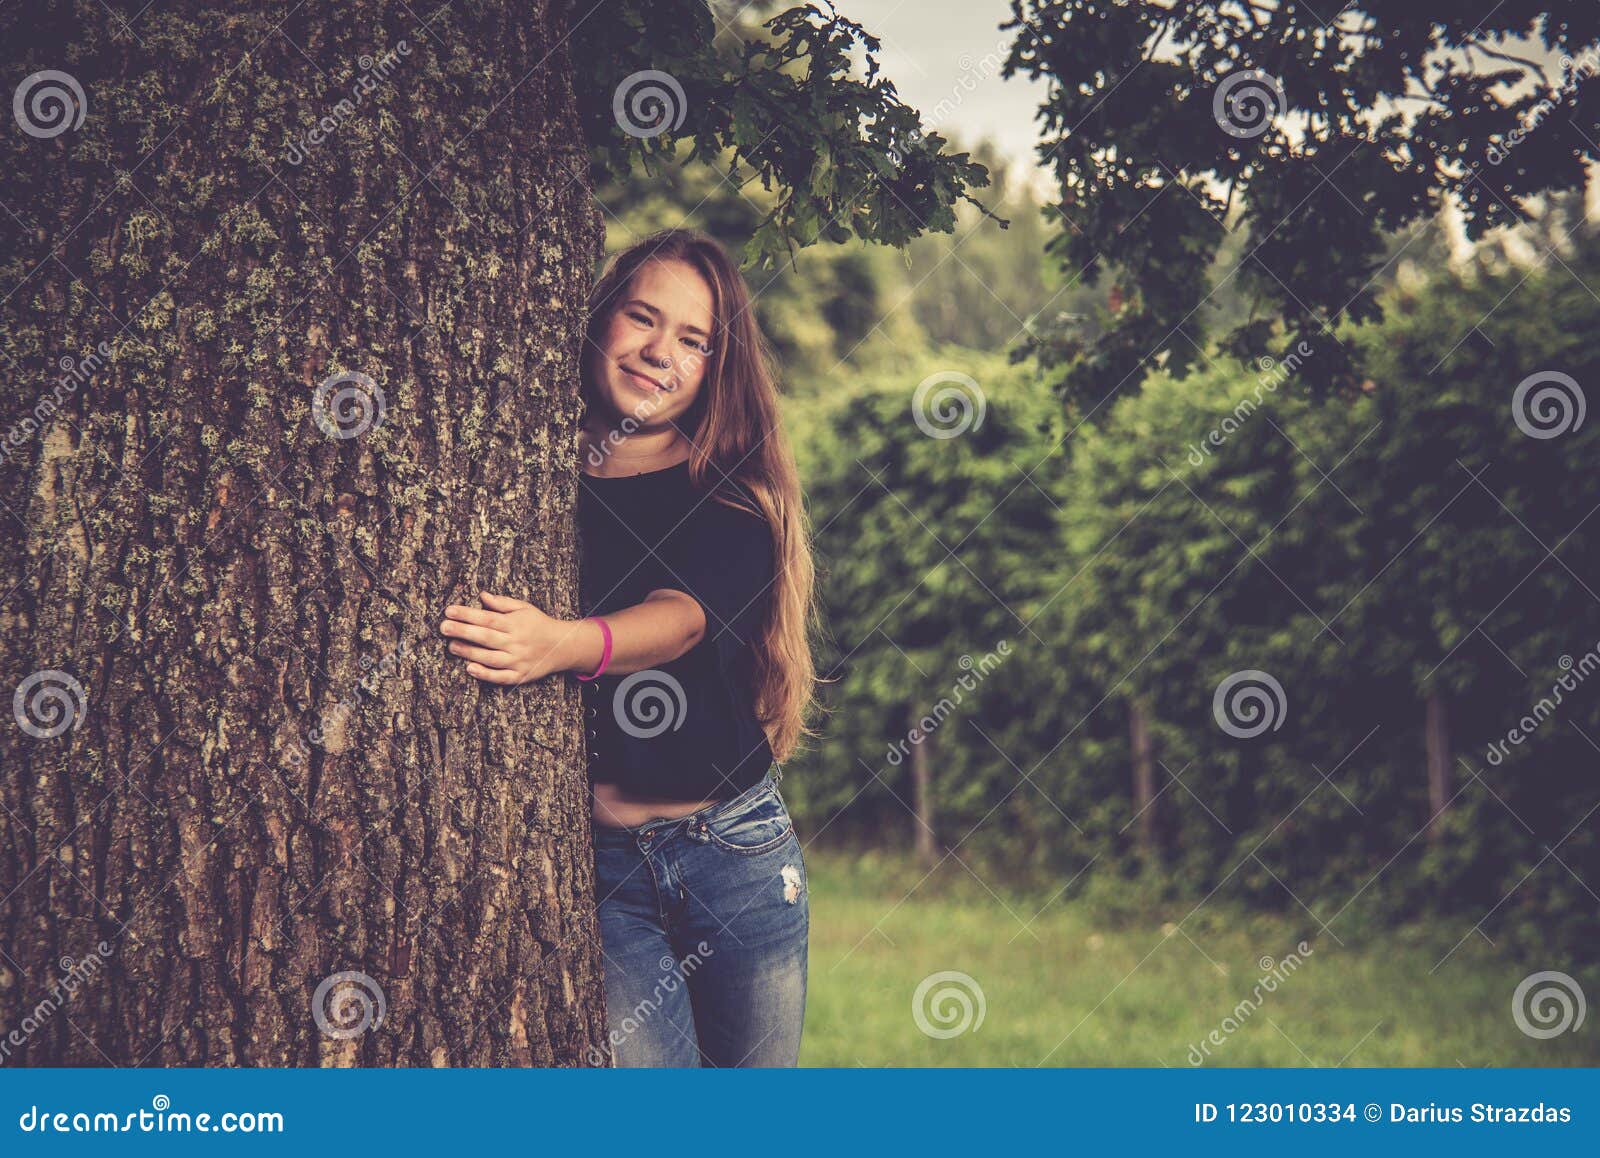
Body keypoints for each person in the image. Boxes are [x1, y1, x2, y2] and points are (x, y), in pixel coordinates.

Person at [438, 227, 821, 1066]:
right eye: (642, 318)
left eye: (693, 340)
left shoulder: (730, 492)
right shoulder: (528, 464)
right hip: (601, 870)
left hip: (734, 855)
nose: (659, 351)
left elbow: (679, 618)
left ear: (718, 366)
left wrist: (561, 644)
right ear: (600, 317)